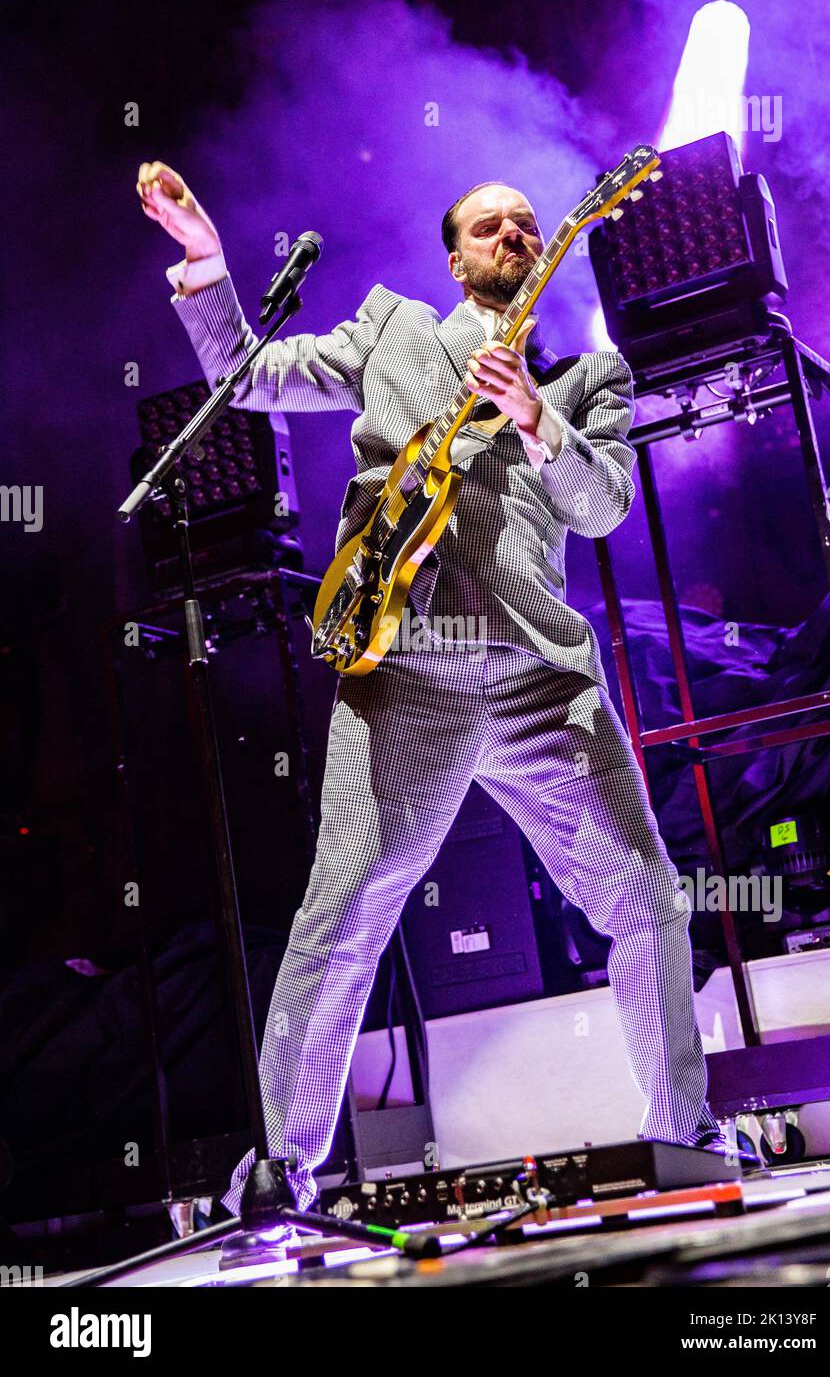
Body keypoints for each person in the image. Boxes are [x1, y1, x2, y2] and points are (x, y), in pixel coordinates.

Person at [137, 161, 725, 1215]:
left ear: (543, 254)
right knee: (347, 906)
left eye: (526, 226)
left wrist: (537, 421)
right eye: (485, 225)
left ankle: (680, 1132)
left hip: (546, 681)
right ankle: (282, 1164)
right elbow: (248, 371)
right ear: (453, 257)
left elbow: (601, 508)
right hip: (411, 672)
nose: (508, 235)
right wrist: (205, 262)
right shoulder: (393, 333)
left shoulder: (589, 379)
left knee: (643, 895)